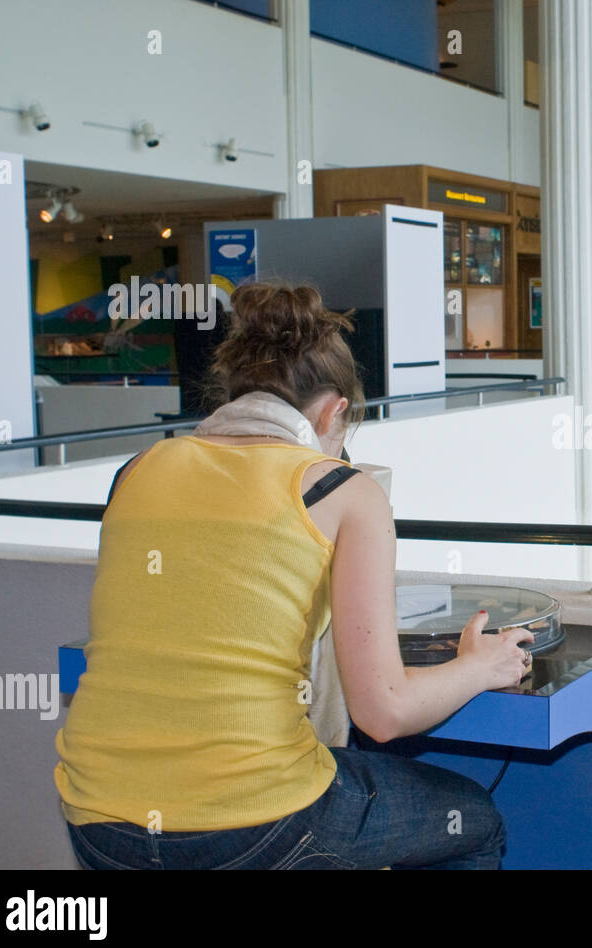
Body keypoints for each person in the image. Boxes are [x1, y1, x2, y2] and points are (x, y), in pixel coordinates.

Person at [55, 282, 532, 869]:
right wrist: (480, 666)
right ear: (335, 410)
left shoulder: (138, 470)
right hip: (251, 822)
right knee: (473, 819)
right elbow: (384, 712)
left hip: (99, 823)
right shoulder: (339, 487)